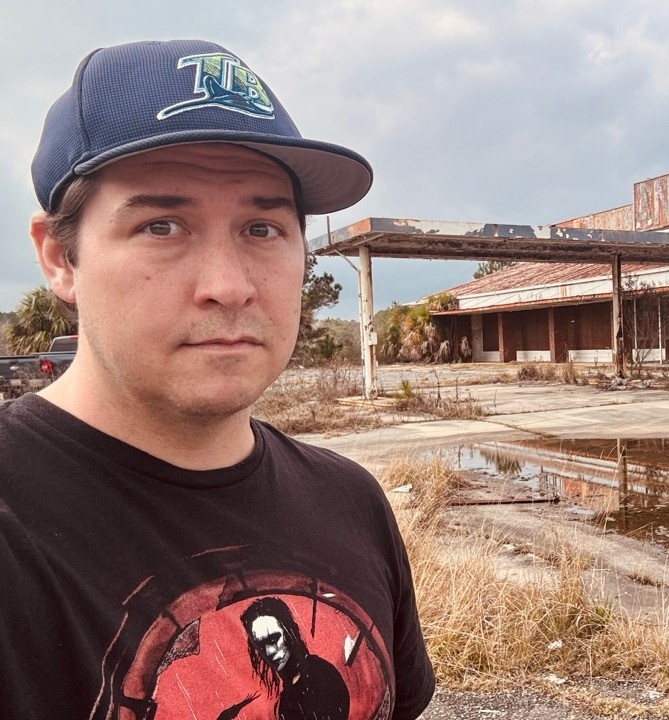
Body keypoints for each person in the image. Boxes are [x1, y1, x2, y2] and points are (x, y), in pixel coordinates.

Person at [0, 39, 433, 718]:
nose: (228, 287)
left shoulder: (353, 503)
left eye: (262, 228)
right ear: (60, 257)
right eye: (162, 225)